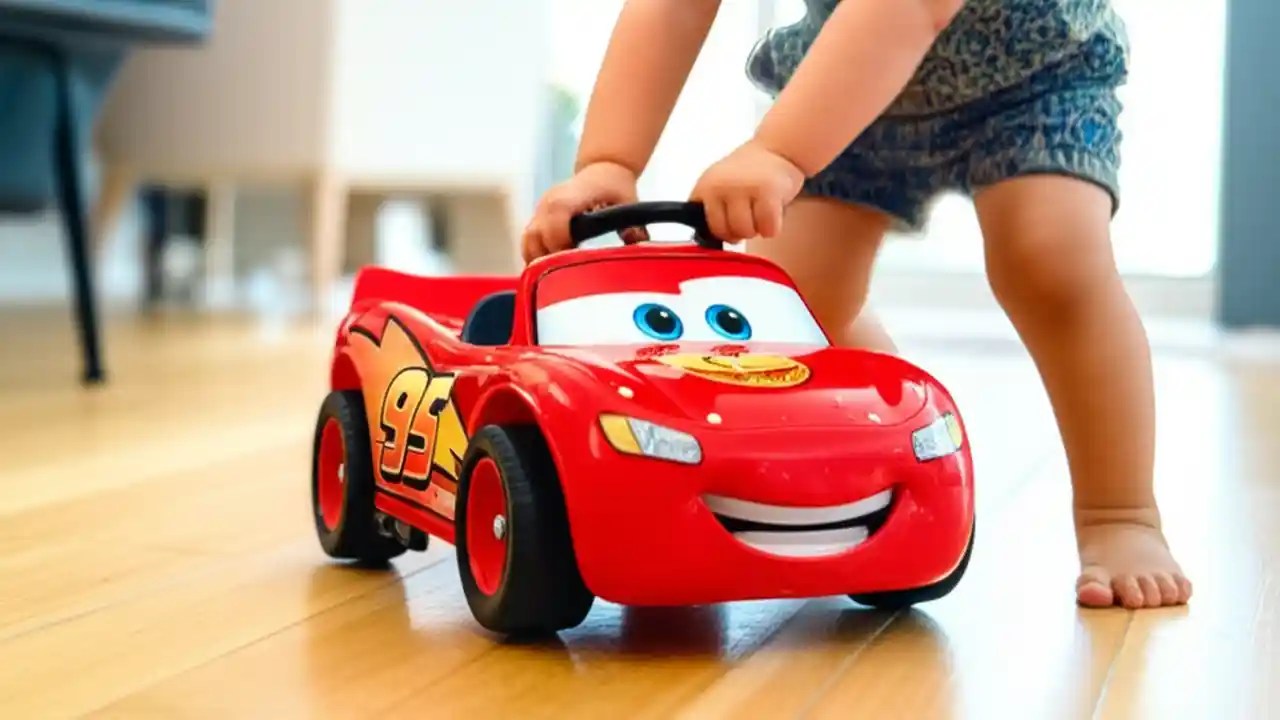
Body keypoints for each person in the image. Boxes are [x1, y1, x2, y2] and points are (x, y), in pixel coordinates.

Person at [521, 0, 1191, 609]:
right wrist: (608, 160)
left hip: (1036, 76)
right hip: (846, 85)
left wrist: (779, 152)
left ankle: (1119, 512)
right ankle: (881, 455)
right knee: (788, 313)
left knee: (1048, 257)